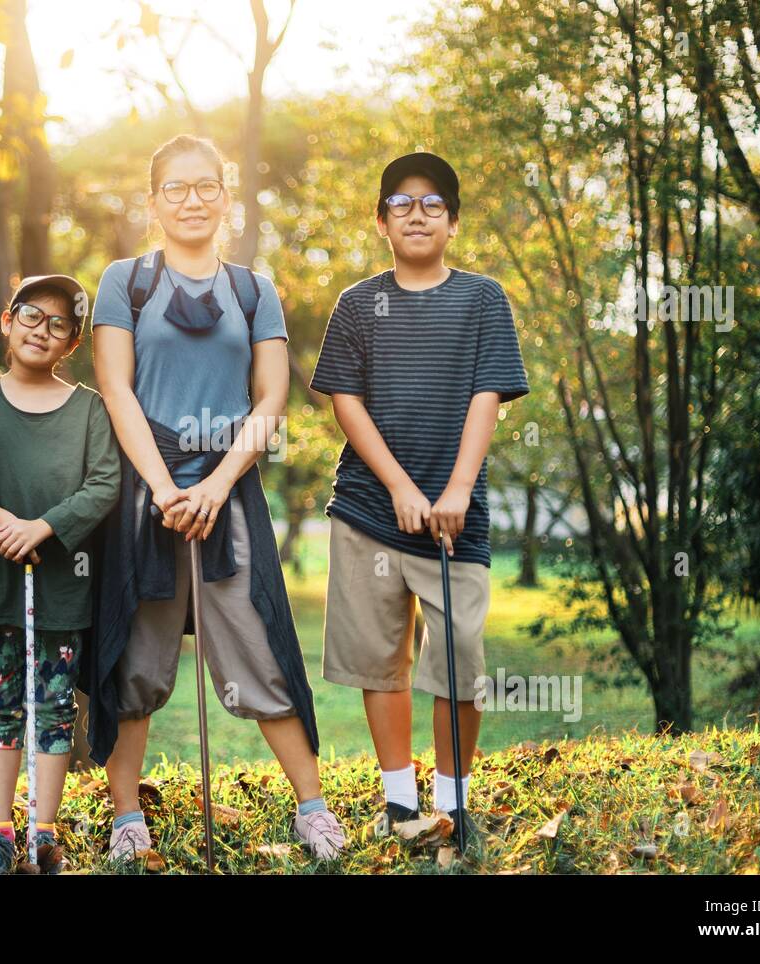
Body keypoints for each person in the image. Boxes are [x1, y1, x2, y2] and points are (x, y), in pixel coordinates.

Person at [86, 134, 345, 863]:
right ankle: (127, 819)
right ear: (153, 201)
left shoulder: (254, 290)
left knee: (261, 644)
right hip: (147, 495)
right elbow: (115, 388)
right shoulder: (124, 282)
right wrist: (167, 488)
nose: (192, 199)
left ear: (225, 199)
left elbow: (271, 398)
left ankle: (313, 809)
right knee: (136, 657)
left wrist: (217, 483)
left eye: (206, 187)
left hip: (229, 495)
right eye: (176, 188)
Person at [310, 152, 530, 853]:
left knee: (459, 658)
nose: (416, 213)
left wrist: (457, 488)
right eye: (401, 203)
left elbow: (486, 394)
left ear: (454, 221)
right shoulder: (356, 304)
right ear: (381, 221)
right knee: (382, 660)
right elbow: (345, 401)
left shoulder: (483, 299)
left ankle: (453, 805)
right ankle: (400, 799)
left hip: (456, 520)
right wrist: (402, 487)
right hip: (371, 512)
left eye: (433, 203)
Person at [0, 274, 121, 874]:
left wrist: (43, 527)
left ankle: (43, 830)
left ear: (71, 343)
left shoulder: (89, 408)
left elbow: (104, 485)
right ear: (7, 321)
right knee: (0, 701)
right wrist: (2, 525)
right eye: (31, 316)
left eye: (60, 324)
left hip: (64, 586)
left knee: (54, 703)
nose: (42, 330)